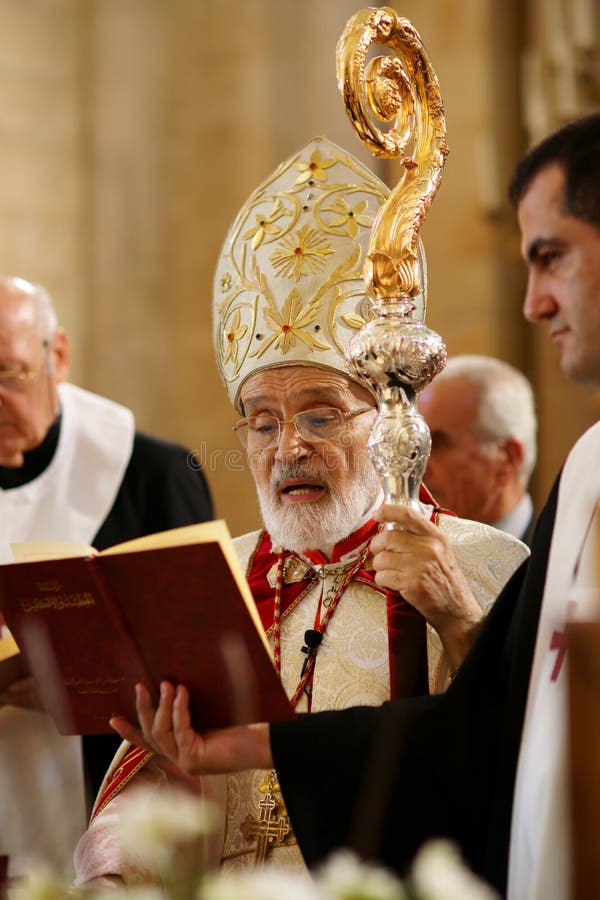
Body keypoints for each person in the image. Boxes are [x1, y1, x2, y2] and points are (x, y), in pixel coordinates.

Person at [103, 112, 600, 900]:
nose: (288, 448)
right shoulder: (212, 579)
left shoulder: (488, 565)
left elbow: (511, 765)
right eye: (262, 423)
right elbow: (146, 803)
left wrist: (458, 622)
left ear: (388, 422)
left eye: (321, 415)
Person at [0, 275, 214, 877]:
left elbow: (208, 667)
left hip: (112, 807)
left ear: (58, 354)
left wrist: (88, 686)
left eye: (9, 374)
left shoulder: (149, 475)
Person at [418, 354, 537, 543]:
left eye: (439, 445)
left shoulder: (561, 553)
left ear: (507, 458)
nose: (416, 467)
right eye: (416, 444)